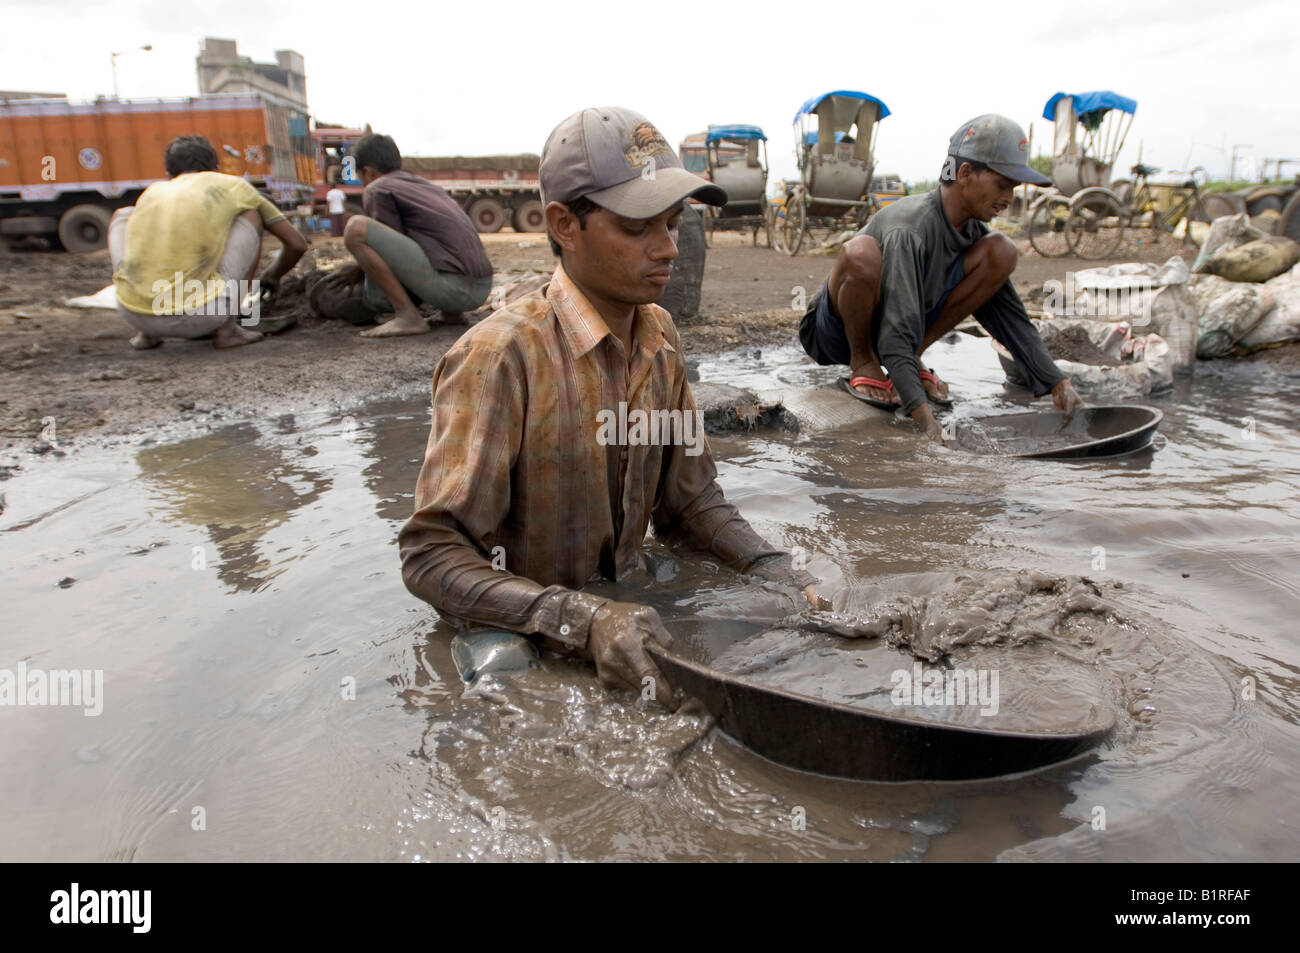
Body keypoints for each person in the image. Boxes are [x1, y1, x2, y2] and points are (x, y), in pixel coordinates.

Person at [398, 107, 821, 705]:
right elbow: (431, 555)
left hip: (622, 604)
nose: (668, 249)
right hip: (513, 624)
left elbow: (690, 501)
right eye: (639, 227)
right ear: (564, 224)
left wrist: (772, 568)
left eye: (674, 224)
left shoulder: (661, 337)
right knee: (508, 708)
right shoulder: (500, 356)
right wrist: (581, 618)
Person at [799, 114, 1083, 442]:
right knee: (861, 253)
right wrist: (926, 422)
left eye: (1014, 187)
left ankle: (910, 357)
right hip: (836, 333)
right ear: (965, 174)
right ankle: (865, 363)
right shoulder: (910, 228)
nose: (1008, 197)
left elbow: (1013, 321)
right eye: (1002, 184)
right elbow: (893, 335)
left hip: (899, 331)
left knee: (1002, 251)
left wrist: (1058, 383)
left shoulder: (975, 233)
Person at [110, 135, 307, 349]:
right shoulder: (233, 186)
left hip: (132, 312)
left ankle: (145, 335)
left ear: (168, 173)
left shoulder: (152, 193)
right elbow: (297, 244)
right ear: (216, 167)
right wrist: (273, 275)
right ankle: (229, 330)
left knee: (124, 214)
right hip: (203, 316)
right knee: (251, 214)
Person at [327, 133, 493, 339]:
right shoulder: (425, 186)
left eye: (361, 178)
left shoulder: (377, 188)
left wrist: (362, 270)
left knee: (355, 228)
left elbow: (390, 252)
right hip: (481, 289)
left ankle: (407, 316)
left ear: (368, 172)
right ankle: (452, 314)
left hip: (455, 290)